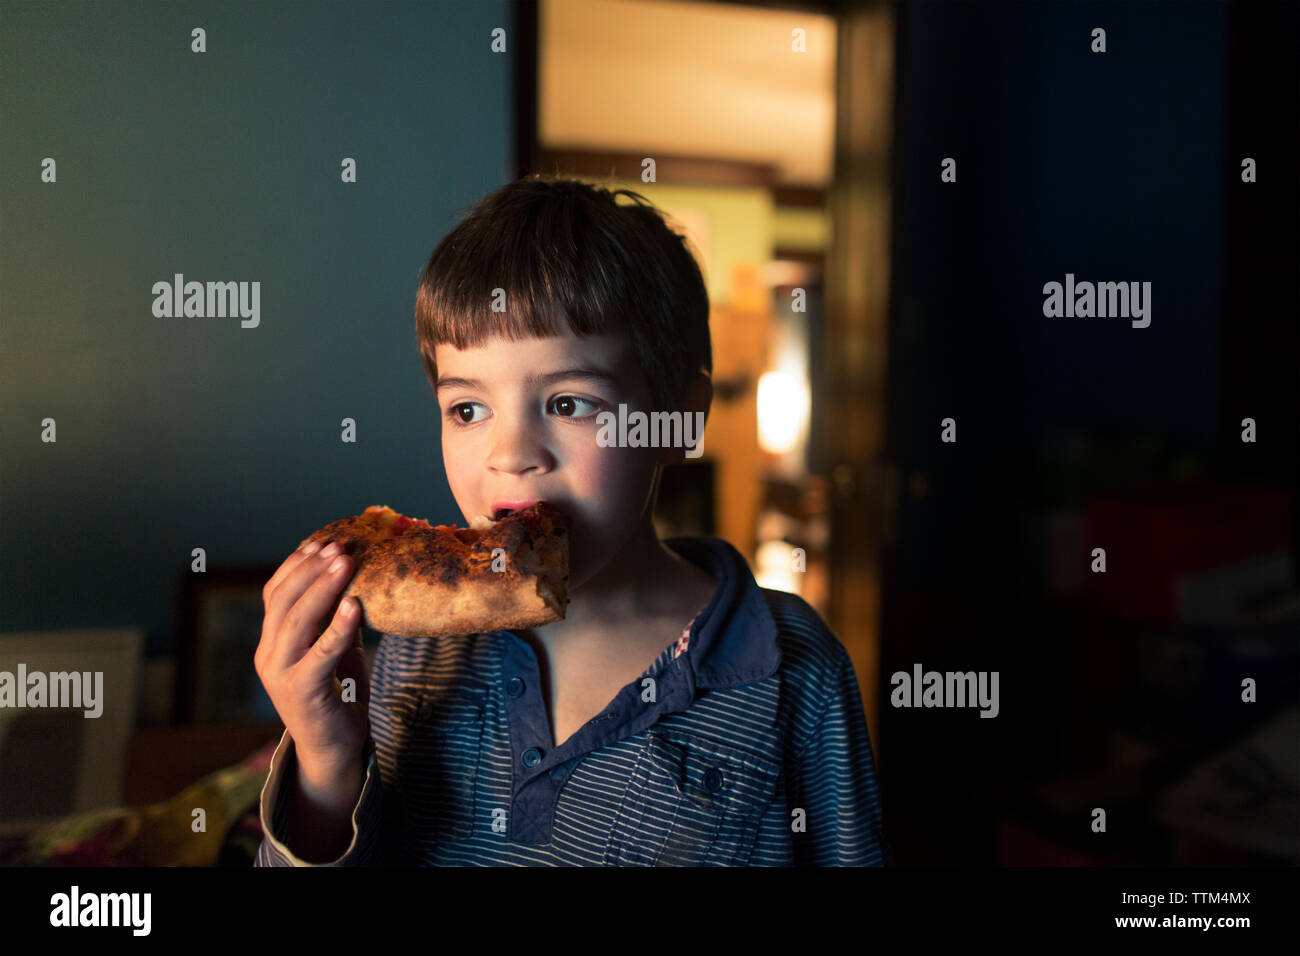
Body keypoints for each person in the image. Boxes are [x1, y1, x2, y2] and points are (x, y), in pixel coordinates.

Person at [252, 175, 890, 865]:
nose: (512, 454)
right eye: (468, 409)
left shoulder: (794, 667)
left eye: (569, 403)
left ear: (679, 421)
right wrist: (326, 762)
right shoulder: (412, 654)